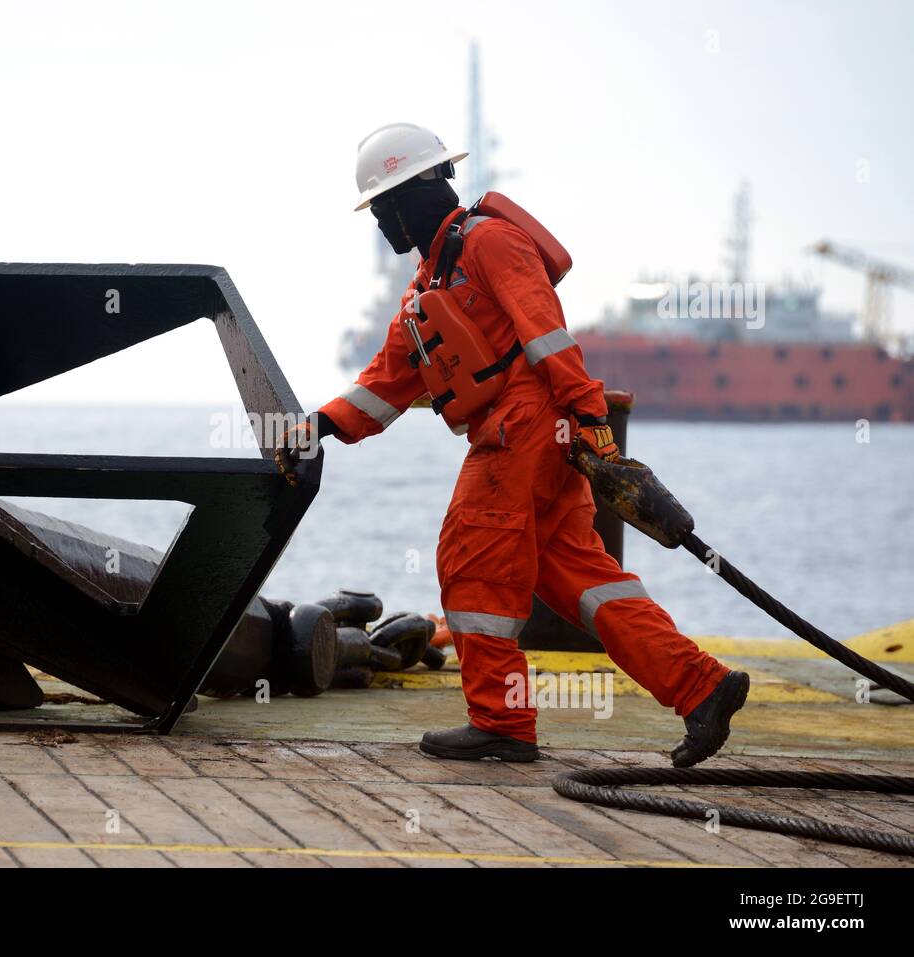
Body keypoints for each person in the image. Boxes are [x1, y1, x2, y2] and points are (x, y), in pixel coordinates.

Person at [275, 123, 748, 766]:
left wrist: (587, 418)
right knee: (581, 579)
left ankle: (500, 721)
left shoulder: (491, 243)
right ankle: (703, 686)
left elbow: (547, 335)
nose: (381, 221)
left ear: (421, 189)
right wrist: (317, 425)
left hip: (524, 429)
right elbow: (386, 383)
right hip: (537, 438)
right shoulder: (426, 290)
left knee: (471, 566)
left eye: (384, 205)